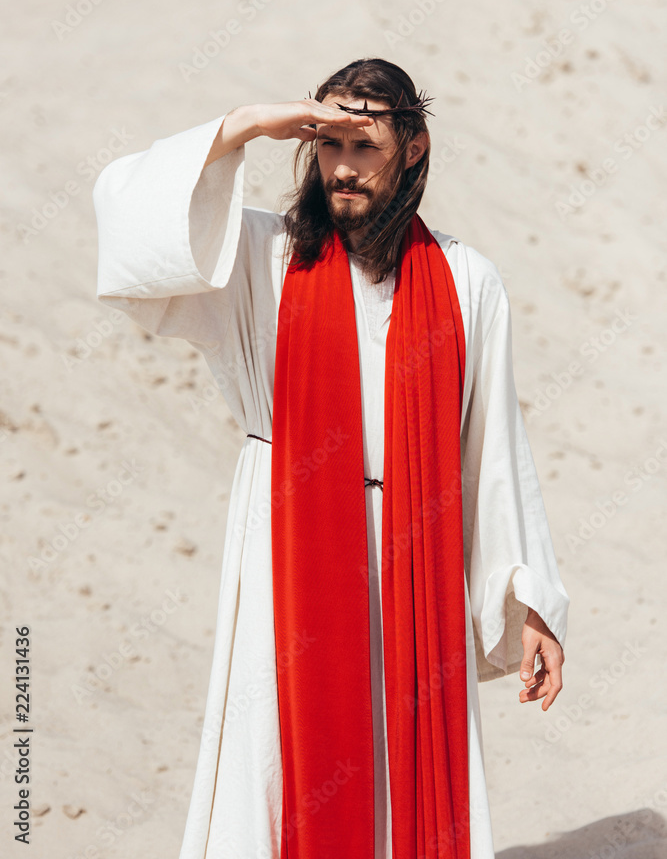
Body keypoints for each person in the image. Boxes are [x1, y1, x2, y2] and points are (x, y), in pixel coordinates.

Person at [93, 57, 569, 859]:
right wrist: (247, 123)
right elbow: (131, 226)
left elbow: (492, 453)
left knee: (403, 760)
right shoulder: (264, 257)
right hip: (286, 541)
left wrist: (530, 599)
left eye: (364, 145)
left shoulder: (466, 281)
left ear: (412, 149)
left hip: (410, 548)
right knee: (275, 756)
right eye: (328, 143)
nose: (342, 168)